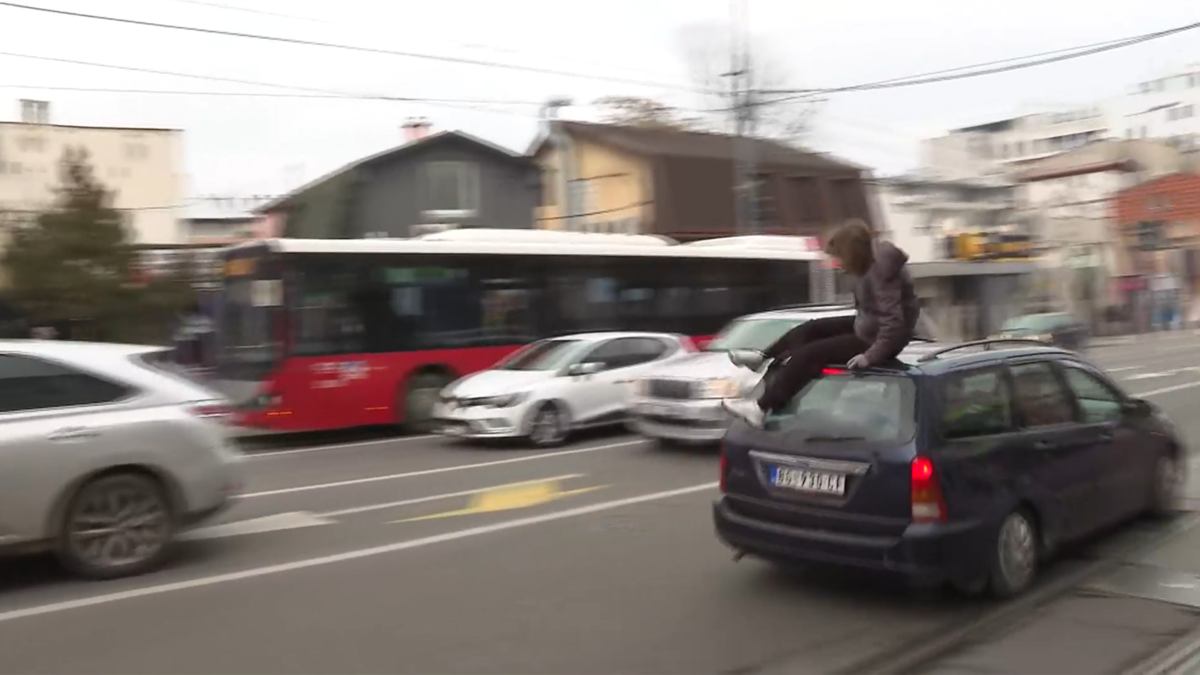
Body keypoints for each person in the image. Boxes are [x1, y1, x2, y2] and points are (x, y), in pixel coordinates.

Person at [722, 219, 920, 428]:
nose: (840, 264)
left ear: (853, 253)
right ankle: (763, 357)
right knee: (811, 328)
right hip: (869, 326)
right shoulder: (868, 266)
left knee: (809, 355)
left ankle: (761, 408)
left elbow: (894, 323)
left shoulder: (882, 273)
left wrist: (870, 356)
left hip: (878, 340)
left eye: (841, 258)